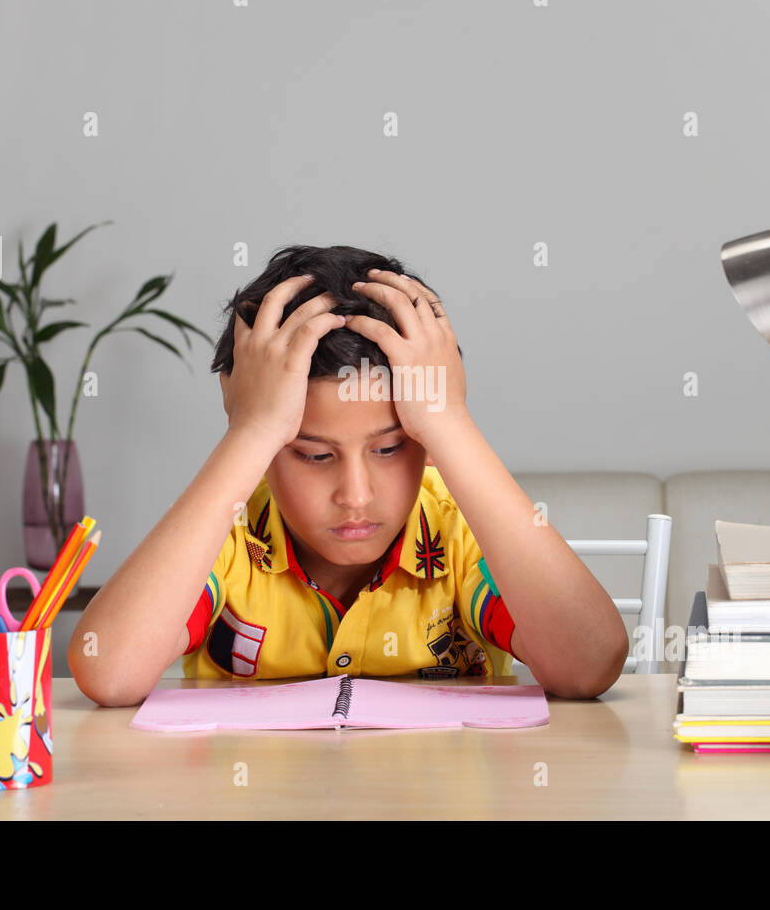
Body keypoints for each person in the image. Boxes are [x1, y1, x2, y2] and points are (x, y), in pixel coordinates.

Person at [69, 245, 629, 706]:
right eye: (314, 455)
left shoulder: (459, 531)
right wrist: (250, 431)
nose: (355, 496)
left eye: (389, 448)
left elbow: (587, 666)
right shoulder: (228, 536)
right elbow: (108, 672)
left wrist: (451, 422)